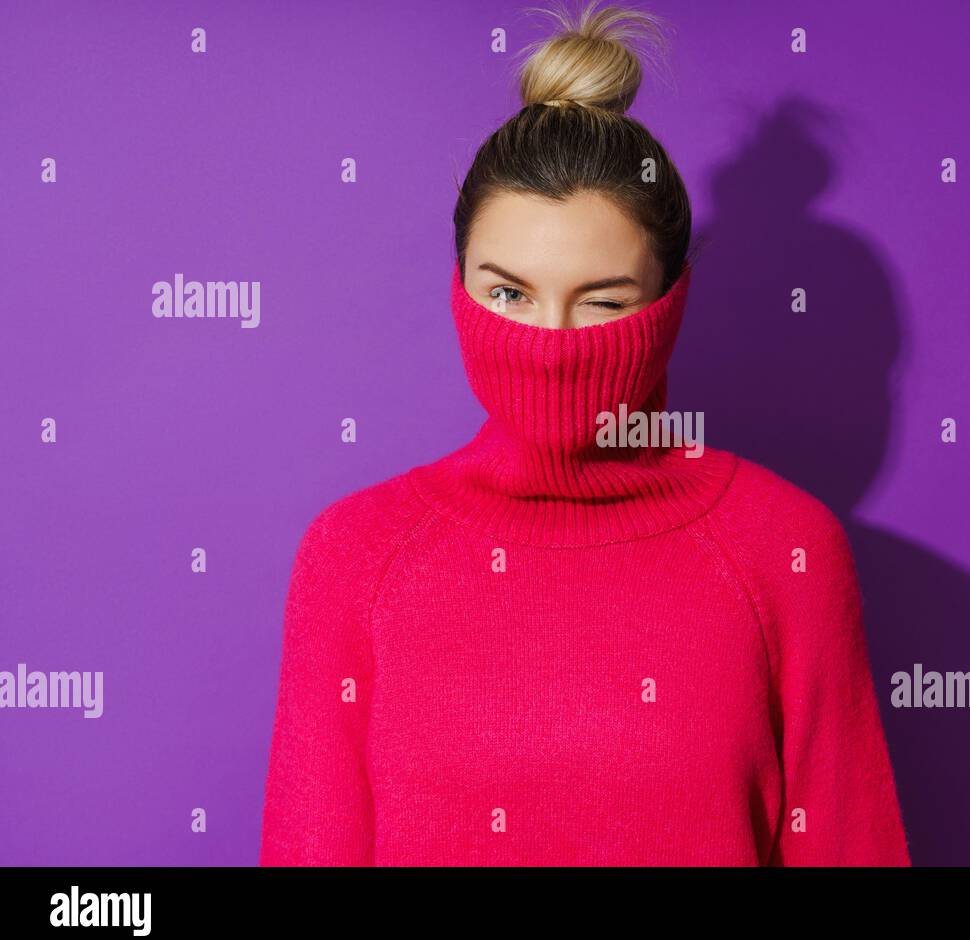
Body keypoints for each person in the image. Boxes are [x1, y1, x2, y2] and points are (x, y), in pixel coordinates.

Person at [259, 0, 910, 866]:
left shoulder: (785, 552)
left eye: (602, 301)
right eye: (509, 295)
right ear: (459, 289)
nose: (554, 345)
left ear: (670, 303)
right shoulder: (356, 556)